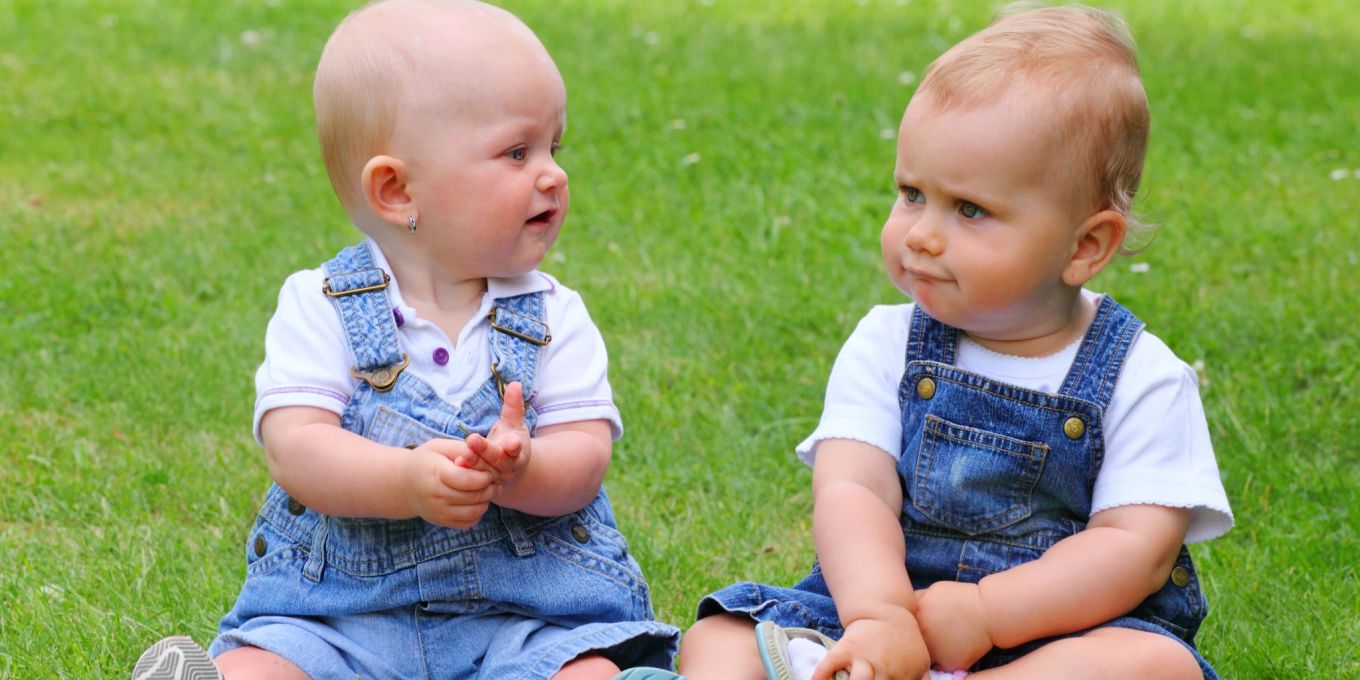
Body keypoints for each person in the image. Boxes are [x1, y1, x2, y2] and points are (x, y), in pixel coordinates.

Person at [669, 4, 1233, 680]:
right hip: (877, 616)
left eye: (970, 210)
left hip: (1058, 637)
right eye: (911, 194)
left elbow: (1132, 550)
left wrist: (990, 613)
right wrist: (880, 616)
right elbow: (854, 489)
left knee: (1153, 665)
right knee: (719, 640)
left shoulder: (1143, 378)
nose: (922, 234)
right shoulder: (886, 344)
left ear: (1085, 246)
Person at [132, 1, 679, 678]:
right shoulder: (323, 303)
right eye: (516, 152)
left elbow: (586, 454)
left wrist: (526, 469)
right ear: (396, 190)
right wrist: (404, 481)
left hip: (525, 626)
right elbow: (296, 447)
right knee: (269, 665)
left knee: (586, 670)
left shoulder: (553, 315)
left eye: (553, 148)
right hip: (343, 621)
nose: (552, 175)